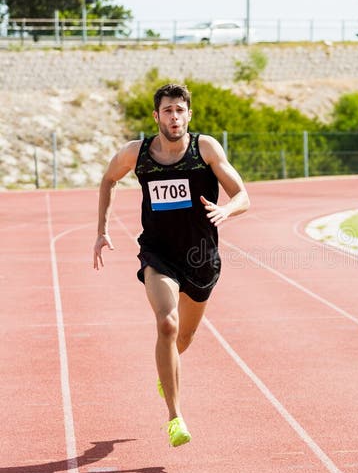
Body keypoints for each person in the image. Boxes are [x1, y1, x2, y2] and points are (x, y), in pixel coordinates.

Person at [93, 82, 250, 447]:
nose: (174, 117)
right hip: (158, 254)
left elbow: (243, 194)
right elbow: (108, 179)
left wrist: (227, 209)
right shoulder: (137, 153)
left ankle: (167, 370)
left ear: (188, 115)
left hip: (201, 257)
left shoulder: (205, 149)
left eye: (180, 110)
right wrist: (101, 231)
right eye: (167, 111)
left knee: (184, 337)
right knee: (167, 323)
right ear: (156, 116)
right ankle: (175, 416)